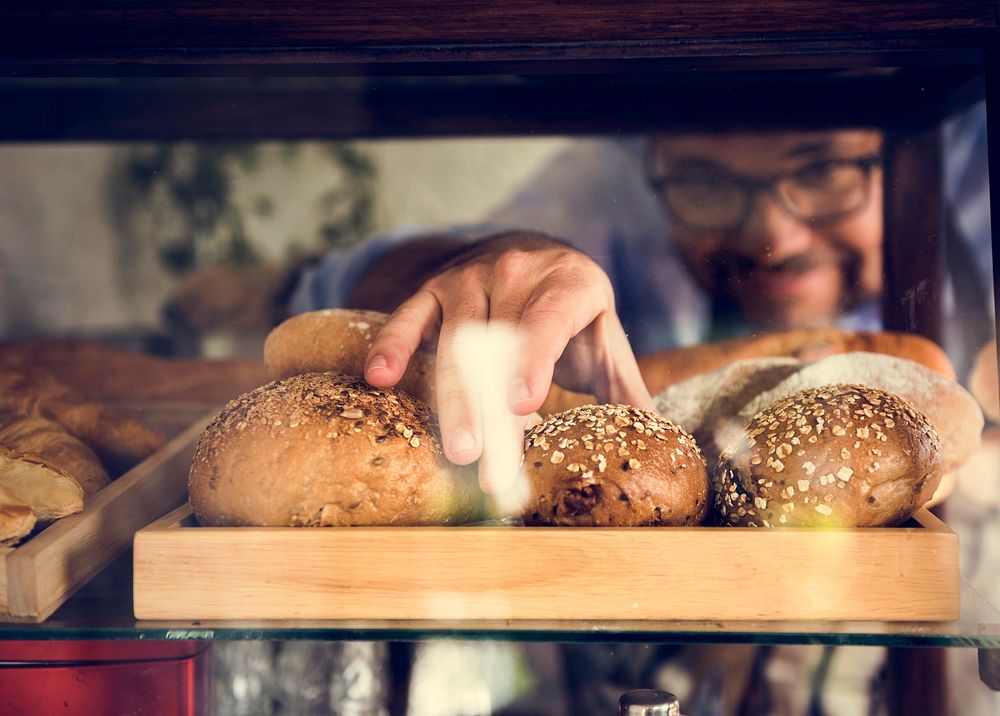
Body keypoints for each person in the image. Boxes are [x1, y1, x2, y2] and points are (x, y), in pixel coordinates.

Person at [288, 102, 994, 715]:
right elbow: (337, 284)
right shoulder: (610, 183)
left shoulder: (976, 160)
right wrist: (505, 257)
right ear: (655, 161)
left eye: (820, 170)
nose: (773, 234)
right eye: (705, 182)